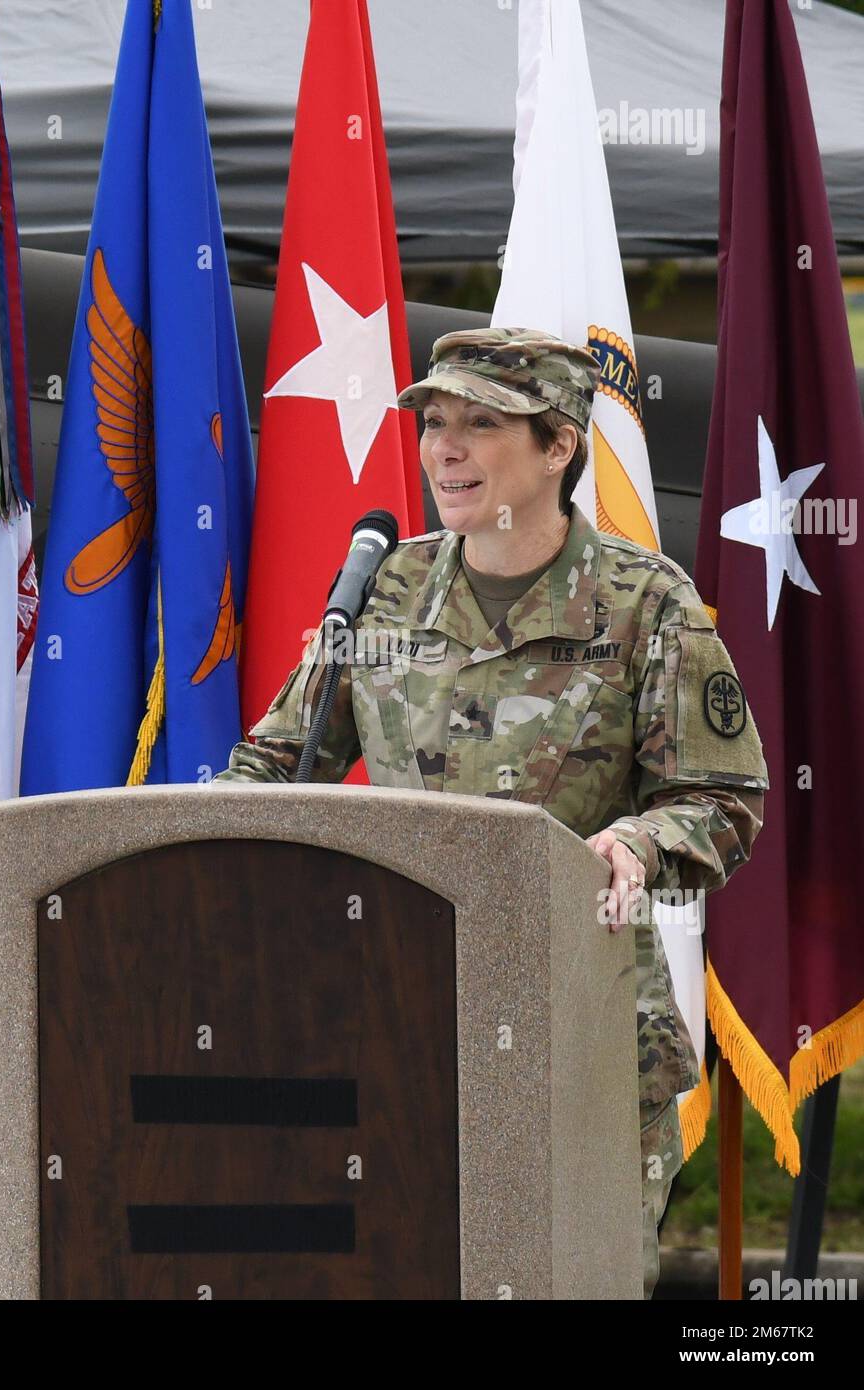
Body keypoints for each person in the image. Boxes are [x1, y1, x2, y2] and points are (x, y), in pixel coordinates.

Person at [214, 327, 769, 1298]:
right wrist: (200, 845)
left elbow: (722, 796)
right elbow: (273, 759)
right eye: (433, 423)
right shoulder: (381, 592)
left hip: (578, 1027)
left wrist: (638, 841)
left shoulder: (645, 604)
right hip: (386, 1016)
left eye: (479, 422)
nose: (444, 449)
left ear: (557, 444)